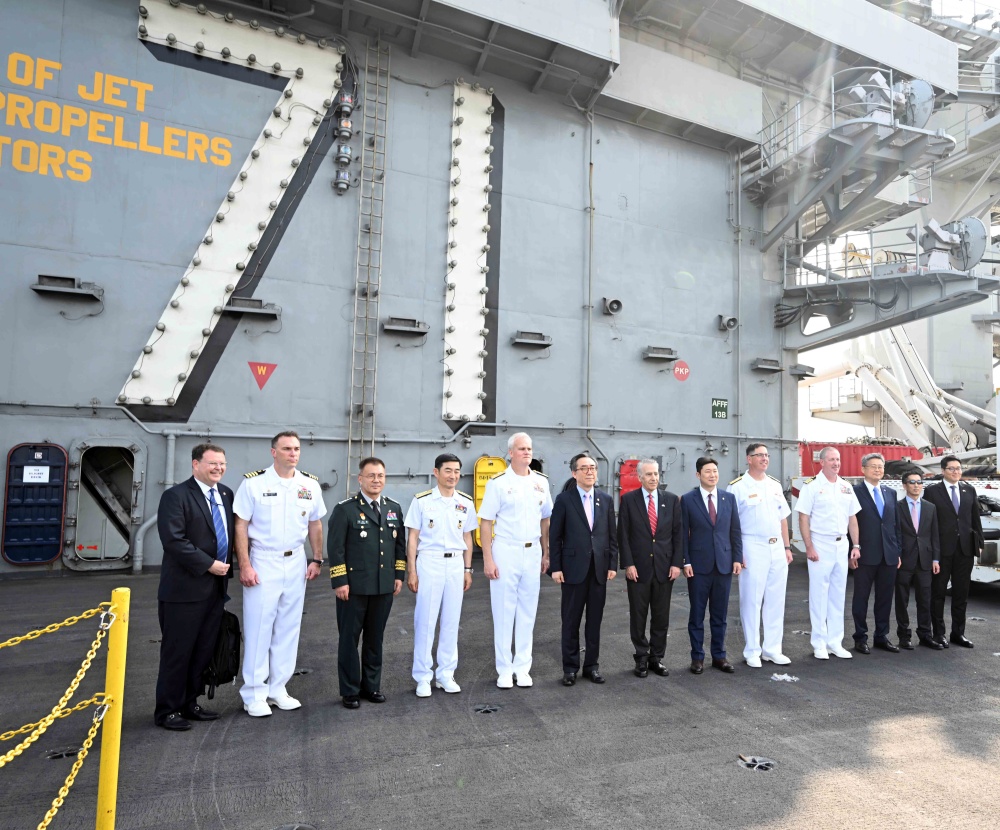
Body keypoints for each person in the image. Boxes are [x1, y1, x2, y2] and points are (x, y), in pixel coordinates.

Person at [234, 431, 326, 717]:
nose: (293, 453)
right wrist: (245, 565)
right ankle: (254, 693)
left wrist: (317, 559)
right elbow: (241, 525)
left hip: (296, 561)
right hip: (263, 560)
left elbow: (315, 524)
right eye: (287, 449)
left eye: (296, 449)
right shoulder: (254, 484)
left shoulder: (309, 485)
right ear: (273, 452)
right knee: (259, 628)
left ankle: (278, 688)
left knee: (288, 629)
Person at [154, 443, 234, 731]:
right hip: (183, 592)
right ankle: (167, 710)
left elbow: (228, 534)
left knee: (202, 649)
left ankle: (190, 702)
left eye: (222, 464)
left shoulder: (225, 494)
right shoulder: (175, 497)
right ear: (195, 464)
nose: (218, 468)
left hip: (215, 589)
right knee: (178, 651)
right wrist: (208, 564)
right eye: (212, 463)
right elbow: (174, 540)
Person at [328, 457, 405, 708]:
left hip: (383, 586)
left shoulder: (393, 508)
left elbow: (399, 547)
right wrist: (340, 580)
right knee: (349, 639)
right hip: (353, 588)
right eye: (371, 476)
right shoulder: (345, 509)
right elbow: (336, 548)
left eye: (380, 475)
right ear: (360, 479)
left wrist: (398, 575)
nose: (376, 480)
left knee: (375, 638)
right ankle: (350, 690)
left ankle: (371, 687)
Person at [478, 432, 553, 689]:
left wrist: (546, 552)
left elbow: (545, 520)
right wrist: (488, 559)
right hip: (505, 551)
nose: (526, 452)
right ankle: (503, 668)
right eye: (521, 448)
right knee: (503, 611)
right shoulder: (498, 483)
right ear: (510, 453)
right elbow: (486, 522)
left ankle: (522, 668)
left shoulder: (541, 482)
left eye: (529, 448)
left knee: (527, 612)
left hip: (532, 552)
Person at [404, 453, 477, 698]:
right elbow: (412, 537)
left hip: (456, 564)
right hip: (429, 563)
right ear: (436, 472)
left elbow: (468, 538)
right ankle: (423, 677)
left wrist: (468, 569)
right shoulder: (422, 501)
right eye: (448, 470)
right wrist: (411, 570)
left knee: (451, 621)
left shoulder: (465, 502)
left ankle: (446, 674)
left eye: (457, 471)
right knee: (425, 621)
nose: (453, 476)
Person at [549, 452, 618, 686]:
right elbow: (555, 537)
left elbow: (611, 536)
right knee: (570, 620)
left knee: (595, 621)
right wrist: (555, 568)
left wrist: (612, 564)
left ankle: (592, 666)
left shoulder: (605, 500)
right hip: (572, 570)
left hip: (598, 570)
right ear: (574, 473)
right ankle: (570, 668)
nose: (590, 472)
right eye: (585, 468)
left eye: (593, 468)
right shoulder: (564, 500)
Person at [729, 443, 792, 668]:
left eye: (767, 455)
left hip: (777, 547)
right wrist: (738, 553)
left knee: (776, 600)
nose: (765, 459)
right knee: (752, 600)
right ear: (749, 459)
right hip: (751, 545)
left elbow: (783, 518)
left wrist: (787, 547)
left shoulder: (774, 485)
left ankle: (772, 649)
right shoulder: (737, 487)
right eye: (760, 455)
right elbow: (731, 524)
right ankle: (752, 650)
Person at [617, 458, 682, 678]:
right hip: (638, 569)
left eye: (656, 474)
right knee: (638, 616)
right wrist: (628, 563)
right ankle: (641, 658)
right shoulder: (628, 500)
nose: (653, 478)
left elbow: (677, 535)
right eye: (649, 474)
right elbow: (623, 534)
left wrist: (676, 564)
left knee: (661, 616)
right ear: (639, 477)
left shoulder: (671, 500)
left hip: (665, 568)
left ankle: (656, 658)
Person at [795, 447, 861, 660]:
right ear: (822, 462)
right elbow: (803, 518)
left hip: (841, 545)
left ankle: (835, 642)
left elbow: (852, 519)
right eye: (832, 459)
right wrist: (809, 547)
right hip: (820, 544)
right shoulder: (812, 486)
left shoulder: (846, 487)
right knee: (819, 596)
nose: (836, 463)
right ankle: (819, 643)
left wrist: (856, 546)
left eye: (838, 459)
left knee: (837, 595)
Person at [680, 457, 743, 675]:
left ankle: (719, 656)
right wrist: (685, 560)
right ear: (698, 475)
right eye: (707, 471)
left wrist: (737, 558)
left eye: (715, 471)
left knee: (720, 615)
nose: (712, 475)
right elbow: (682, 535)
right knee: (697, 615)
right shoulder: (688, 500)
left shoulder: (728, 498)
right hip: (698, 567)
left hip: (724, 565)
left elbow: (735, 531)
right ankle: (697, 657)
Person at [923, 456, 983, 648]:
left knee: (961, 593)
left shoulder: (969, 489)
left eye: (958, 468)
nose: (956, 472)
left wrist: (979, 541)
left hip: (964, 549)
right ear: (943, 471)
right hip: (941, 549)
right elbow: (928, 521)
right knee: (938, 592)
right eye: (951, 469)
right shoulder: (932, 491)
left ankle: (958, 633)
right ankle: (939, 633)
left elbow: (975, 518)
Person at [851, 453, 902, 654]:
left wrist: (897, 551)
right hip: (865, 554)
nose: (878, 470)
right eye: (873, 466)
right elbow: (850, 523)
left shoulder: (890, 492)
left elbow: (894, 524)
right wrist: (852, 550)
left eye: (881, 466)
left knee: (884, 598)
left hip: (888, 555)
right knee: (861, 598)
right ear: (863, 469)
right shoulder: (854, 491)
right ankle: (860, 637)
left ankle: (881, 636)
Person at [896, 474, 942, 650]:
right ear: (905, 485)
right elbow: (895, 533)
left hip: (925, 560)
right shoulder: (897, 507)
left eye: (919, 482)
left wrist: (936, 558)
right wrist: (896, 555)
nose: (916, 486)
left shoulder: (930, 507)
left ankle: (925, 635)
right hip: (904, 560)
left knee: (925, 600)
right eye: (912, 482)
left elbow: (934, 535)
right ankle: (903, 636)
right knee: (902, 600)